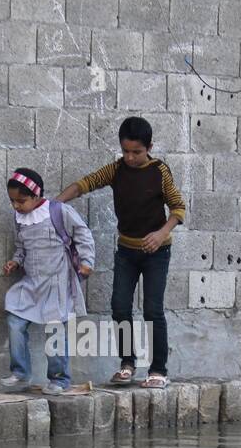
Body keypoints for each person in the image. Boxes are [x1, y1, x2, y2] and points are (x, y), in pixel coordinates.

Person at [55, 116, 185, 389]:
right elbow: (85, 183)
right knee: (119, 306)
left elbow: (178, 208)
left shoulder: (160, 172)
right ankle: (127, 363)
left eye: (136, 152)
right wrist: (54, 204)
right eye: (125, 151)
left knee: (152, 310)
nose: (130, 157)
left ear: (149, 147)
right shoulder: (116, 171)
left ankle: (158, 369)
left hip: (157, 253)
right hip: (126, 251)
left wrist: (161, 233)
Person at [1, 167, 94, 394]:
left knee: (55, 332)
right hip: (32, 282)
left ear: (36, 195)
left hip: (56, 282)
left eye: (21, 201)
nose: (16, 206)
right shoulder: (19, 218)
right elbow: (21, 246)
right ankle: (21, 372)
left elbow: (83, 234)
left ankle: (59, 379)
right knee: (15, 320)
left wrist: (87, 262)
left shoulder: (59, 211)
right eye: (12, 201)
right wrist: (15, 261)